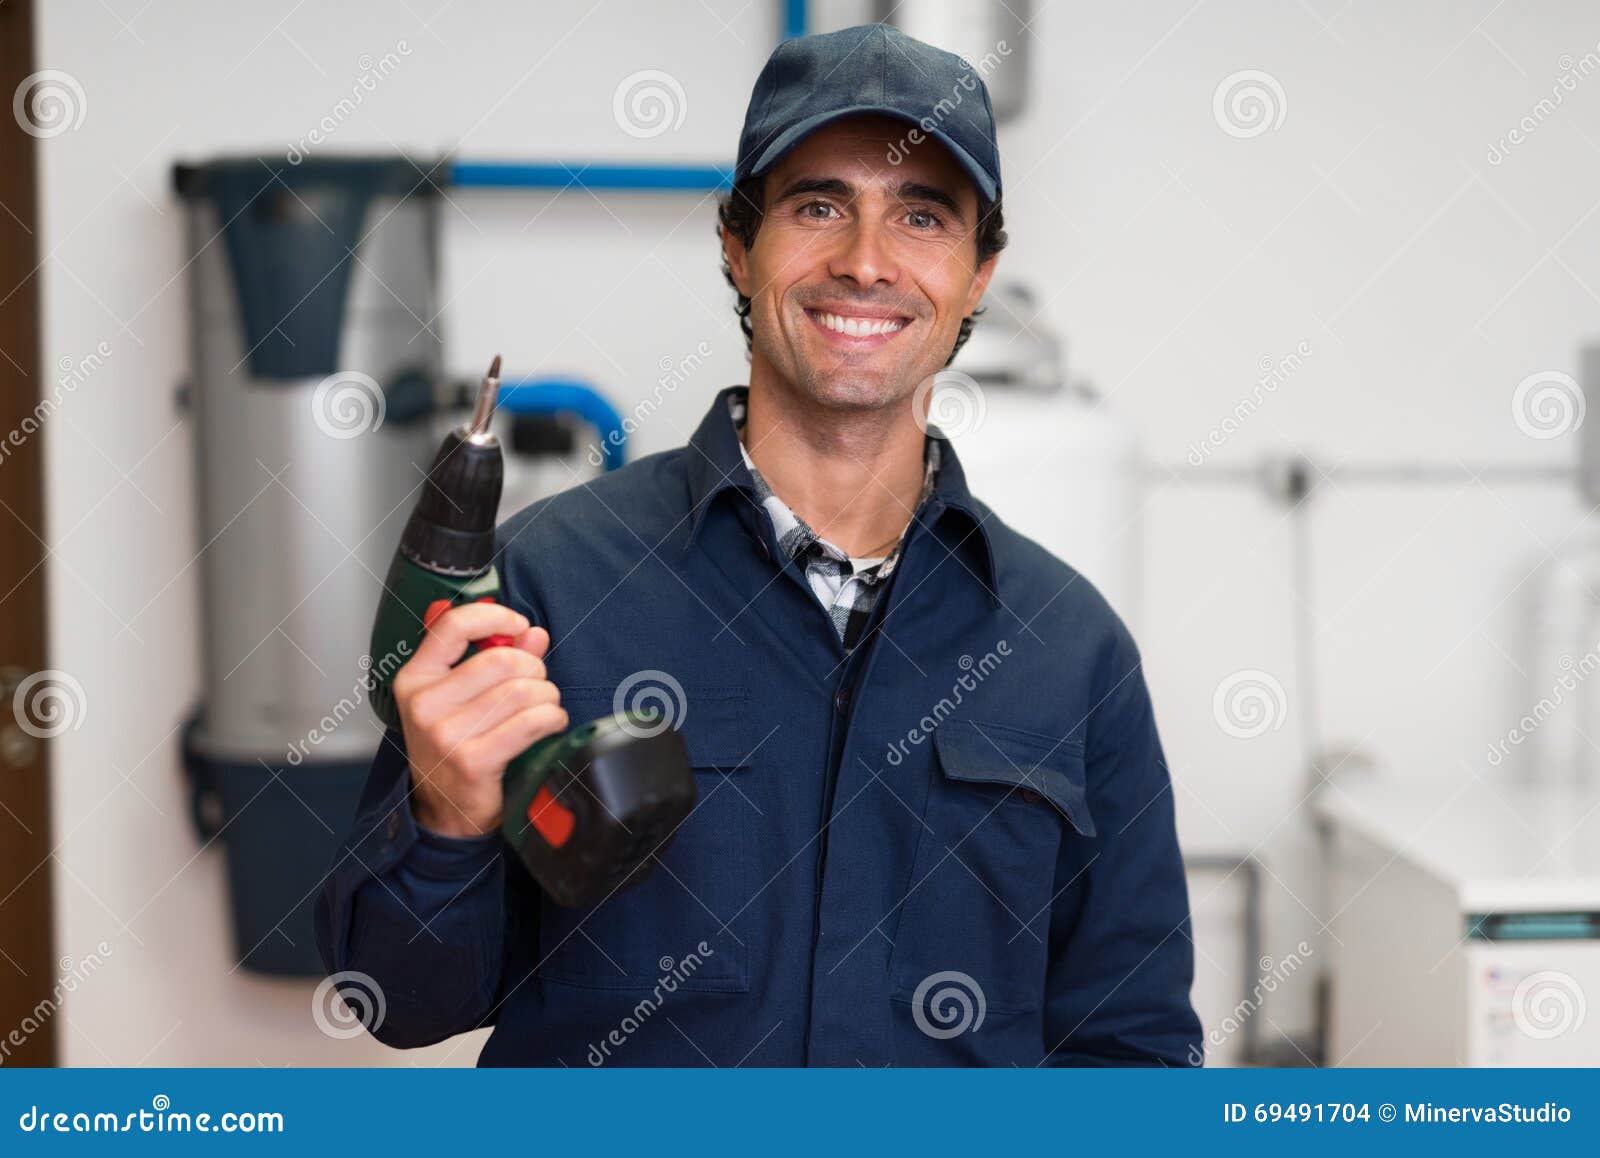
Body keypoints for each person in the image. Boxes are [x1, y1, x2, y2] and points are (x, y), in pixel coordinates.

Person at [316, 23, 1201, 1067]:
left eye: (921, 215)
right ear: (738, 244)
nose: (865, 261)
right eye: (818, 205)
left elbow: (1130, 1052)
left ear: (978, 273)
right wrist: (449, 814)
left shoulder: (1069, 650)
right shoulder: (547, 587)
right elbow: (396, 1004)